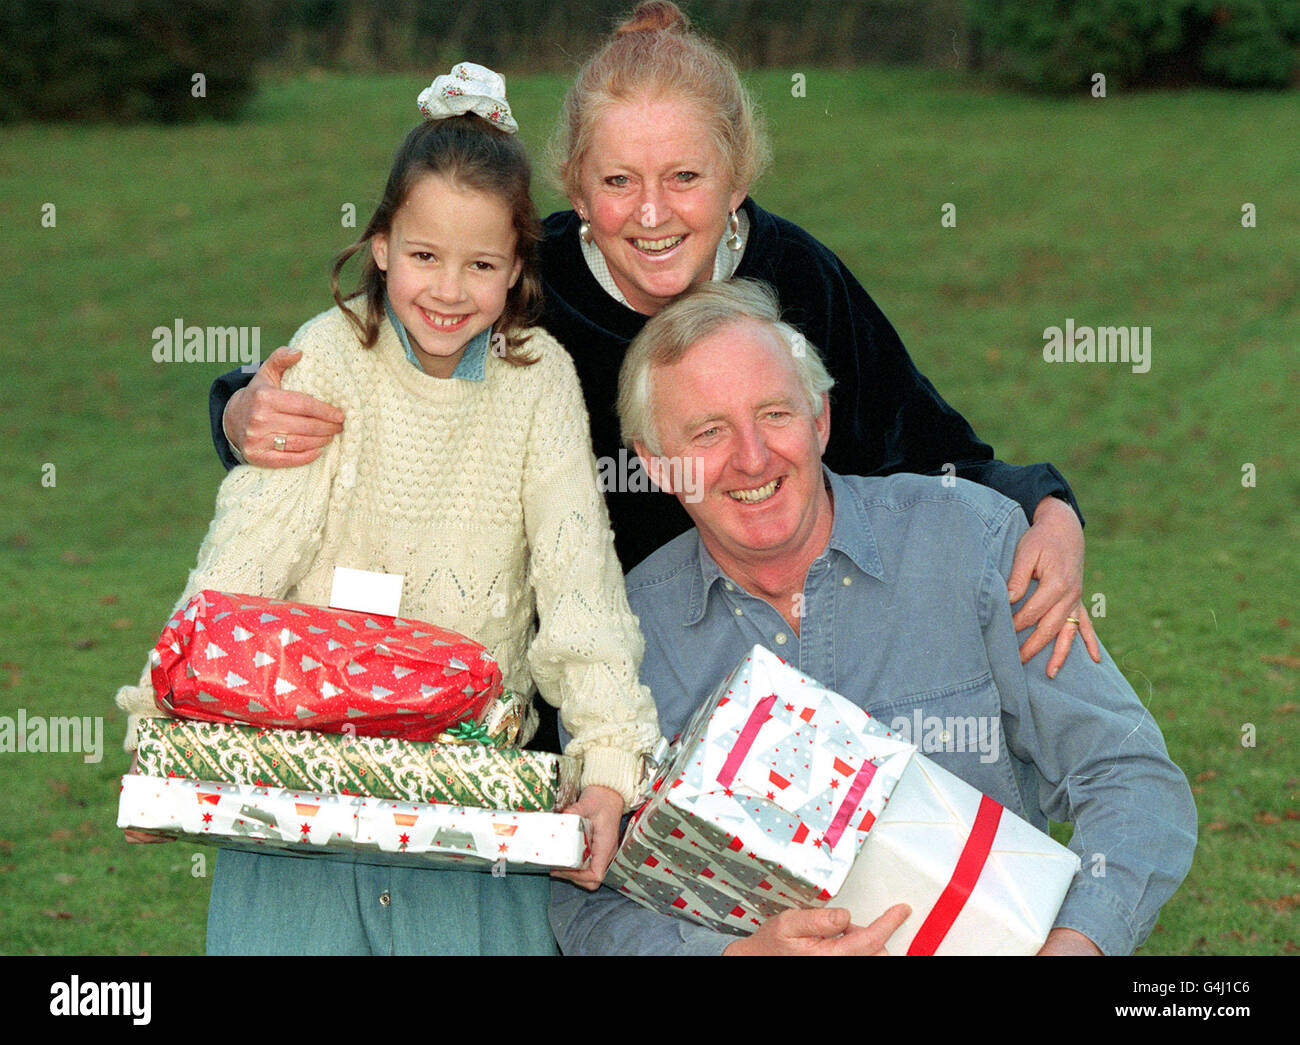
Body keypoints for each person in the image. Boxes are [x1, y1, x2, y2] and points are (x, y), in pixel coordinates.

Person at [208, 1, 1099, 681]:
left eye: (685, 177)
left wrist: (1049, 508)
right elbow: (358, 358)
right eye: (619, 180)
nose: (653, 211)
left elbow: (929, 452)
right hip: (567, 679)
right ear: (574, 188)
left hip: (771, 665)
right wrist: (245, 408)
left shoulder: (800, 281)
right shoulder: (521, 277)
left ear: (737, 176)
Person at [115, 63, 659, 955]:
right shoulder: (326, 358)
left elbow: (579, 582)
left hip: (471, 818)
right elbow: (241, 563)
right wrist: (162, 737)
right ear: (379, 245)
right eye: (422, 256)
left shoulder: (540, 384)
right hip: (297, 800)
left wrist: (606, 762)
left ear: (519, 265)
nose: (448, 290)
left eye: (480, 263)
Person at [549, 279, 1197, 956]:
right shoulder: (619, 639)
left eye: (774, 414)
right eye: (709, 431)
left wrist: (1075, 944)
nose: (752, 456)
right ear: (656, 465)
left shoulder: (973, 545)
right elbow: (589, 902)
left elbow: (1129, 775)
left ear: (820, 417)